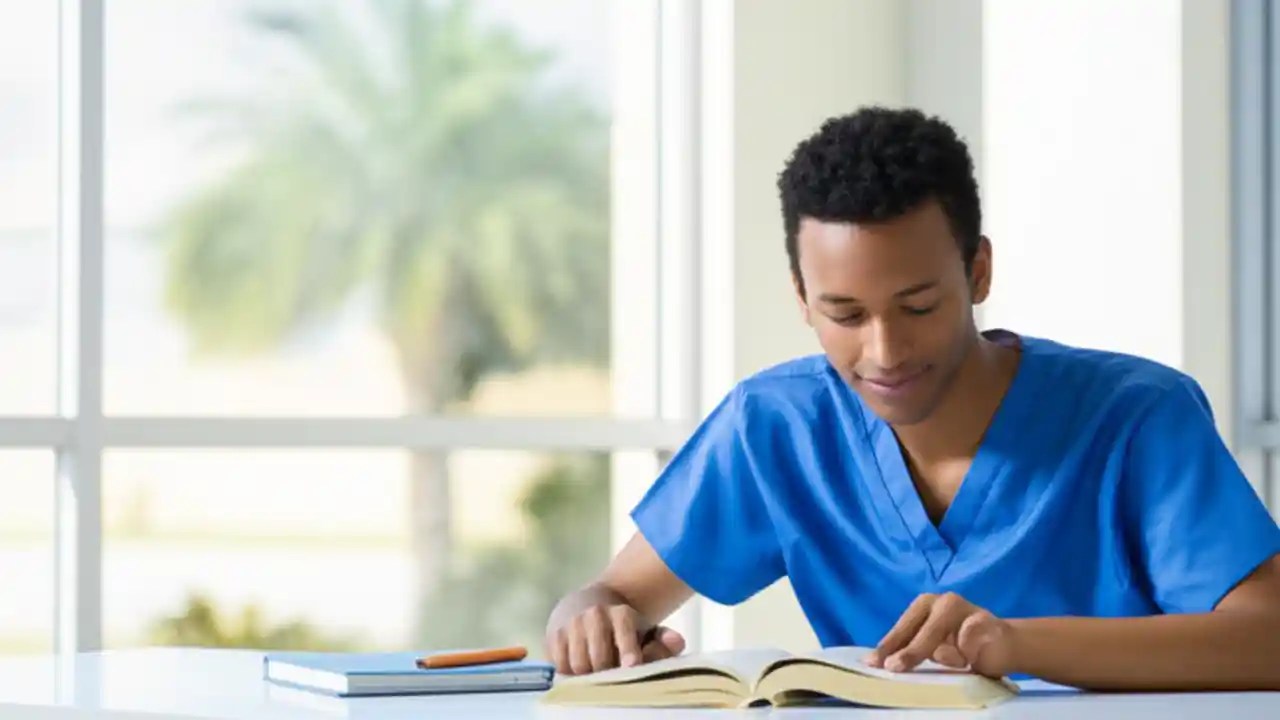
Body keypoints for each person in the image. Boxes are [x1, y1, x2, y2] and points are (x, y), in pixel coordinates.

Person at [543, 107, 1280, 690]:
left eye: (920, 306)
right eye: (846, 315)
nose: (885, 352)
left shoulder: (1136, 417)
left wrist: (1016, 643)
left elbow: (1268, 636)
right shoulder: (776, 426)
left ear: (979, 272)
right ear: (802, 298)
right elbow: (613, 593)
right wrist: (587, 620)